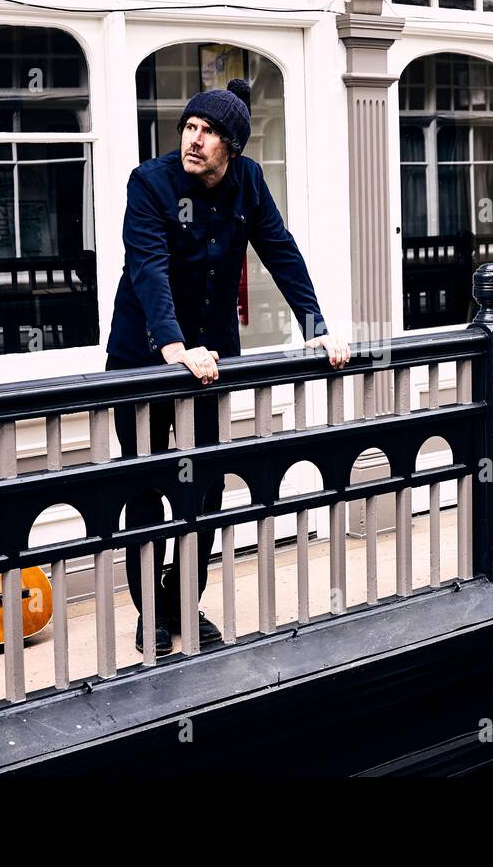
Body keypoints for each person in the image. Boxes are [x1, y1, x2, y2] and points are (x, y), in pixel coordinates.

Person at [105, 78, 349, 655]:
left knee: (207, 486)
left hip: (212, 361)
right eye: (190, 126)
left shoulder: (249, 183)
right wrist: (173, 349)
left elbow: (280, 249)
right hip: (145, 360)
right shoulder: (150, 184)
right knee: (147, 487)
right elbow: (149, 270)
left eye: (208, 132)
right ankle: (150, 616)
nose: (194, 139)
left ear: (231, 148)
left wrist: (318, 329)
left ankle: (184, 600)